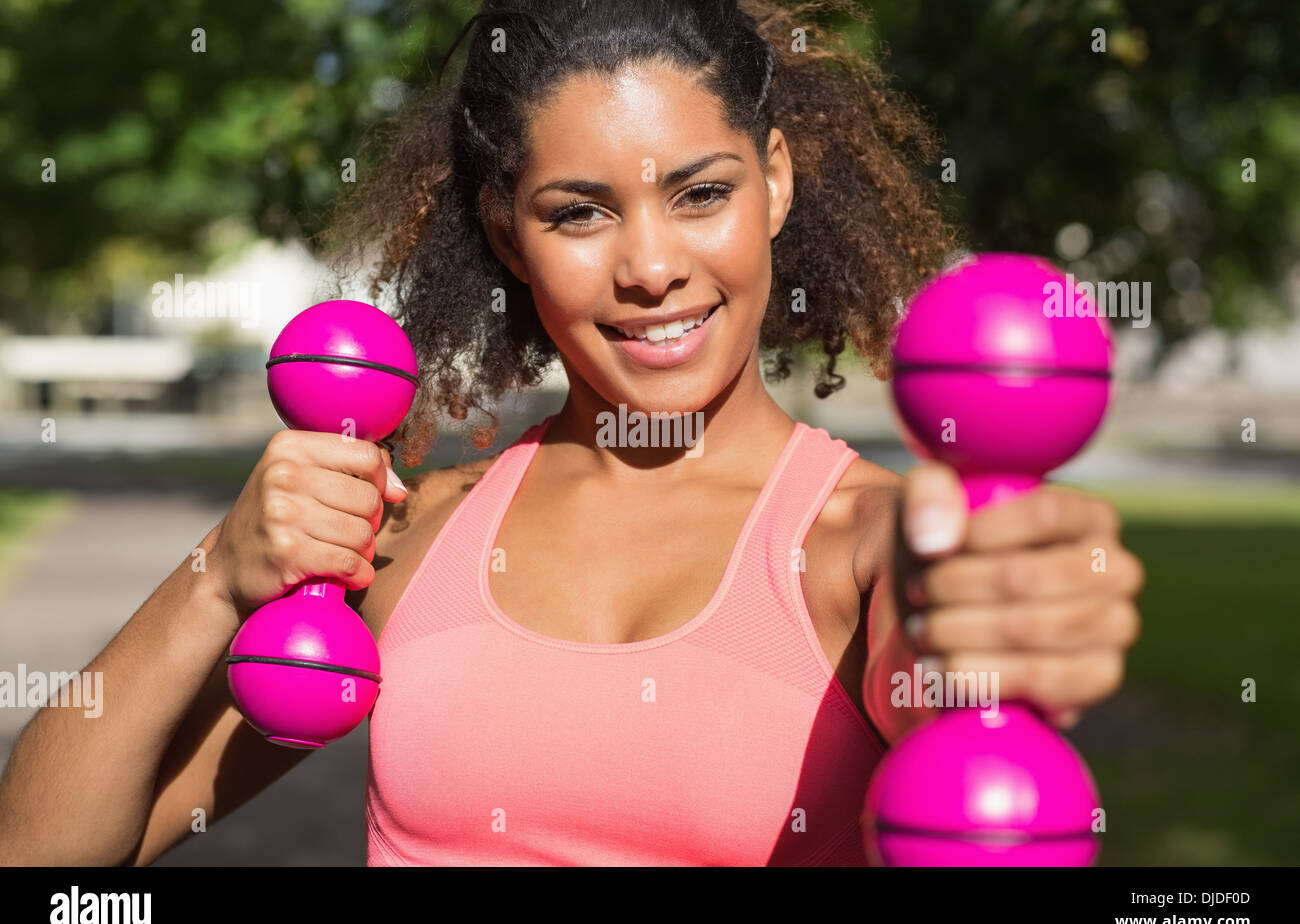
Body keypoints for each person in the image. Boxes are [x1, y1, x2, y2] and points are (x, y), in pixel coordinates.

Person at [0, 0, 1144, 866]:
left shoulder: (868, 546)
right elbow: (54, 856)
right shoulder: (419, 535)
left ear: (776, 185)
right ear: (507, 230)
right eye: (579, 212)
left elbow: (949, 647)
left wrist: (998, 617)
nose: (649, 267)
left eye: (700, 194)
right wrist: (217, 574)